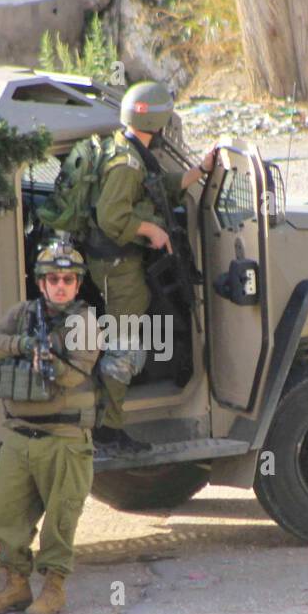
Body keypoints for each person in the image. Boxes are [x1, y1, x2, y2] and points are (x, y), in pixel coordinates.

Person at [87, 80, 218, 455]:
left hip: (121, 262)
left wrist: (200, 170)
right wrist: (151, 230)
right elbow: (112, 217)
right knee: (124, 346)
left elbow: (160, 186)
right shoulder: (127, 163)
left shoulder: (130, 149)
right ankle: (108, 431)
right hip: (118, 265)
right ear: (159, 122)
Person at [0, 242, 103, 614]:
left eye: (68, 279)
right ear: (41, 282)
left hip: (64, 440)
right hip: (20, 435)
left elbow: (69, 375)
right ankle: (16, 585)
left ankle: (53, 589)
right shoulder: (22, 314)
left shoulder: (85, 324)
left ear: (78, 285)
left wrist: (46, 356)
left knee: (60, 520)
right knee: (6, 514)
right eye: (53, 279)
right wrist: (25, 345)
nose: (60, 286)